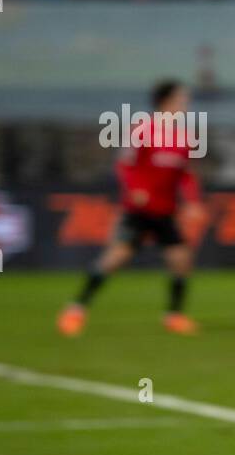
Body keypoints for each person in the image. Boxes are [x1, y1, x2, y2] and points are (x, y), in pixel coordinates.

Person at [58, 79, 203, 337]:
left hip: (165, 211)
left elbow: (185, 174)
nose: (185, 104)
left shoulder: (183, 137)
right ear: (166, 101)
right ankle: (76, 309)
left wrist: (192, 201)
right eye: (182, 99)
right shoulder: (143, 130)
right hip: (139, 210)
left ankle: (174, 316)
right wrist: (136, 189)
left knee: (181, 260)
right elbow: (125, 165)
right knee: (115, 259)